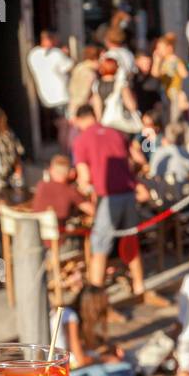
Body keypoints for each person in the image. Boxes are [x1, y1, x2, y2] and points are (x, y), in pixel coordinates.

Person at [71, 104, 147, 297]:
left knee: (100, 245)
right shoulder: (116, 133)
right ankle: (139, 285)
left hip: (108, 197)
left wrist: (83, 190)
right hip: (128, 193)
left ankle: (96, 293)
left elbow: (84, 177)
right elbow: (138, 159)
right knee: (130, 239)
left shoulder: (81, 141)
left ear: (79, 120)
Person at [61, 281, 164, 376]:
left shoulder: (71, 315)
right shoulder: (70, 317)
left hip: (71, 370)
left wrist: (109, 350)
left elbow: (81, 350)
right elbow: (81, 360)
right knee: (122, 369)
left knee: (120, 366)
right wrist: (107, 359)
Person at [30, 153, 89, 227]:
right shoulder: (69, 190)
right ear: (71, 173)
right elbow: (91, 210)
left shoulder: (40, 186)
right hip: (61, 235)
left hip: (38, 233)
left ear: (51, 170)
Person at [26, 29, 73, 117]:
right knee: (65, 123)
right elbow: (69, 67)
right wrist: (66, 54)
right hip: (61, 95)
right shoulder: (56, 53)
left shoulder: (33, 54)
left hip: (45, 96)